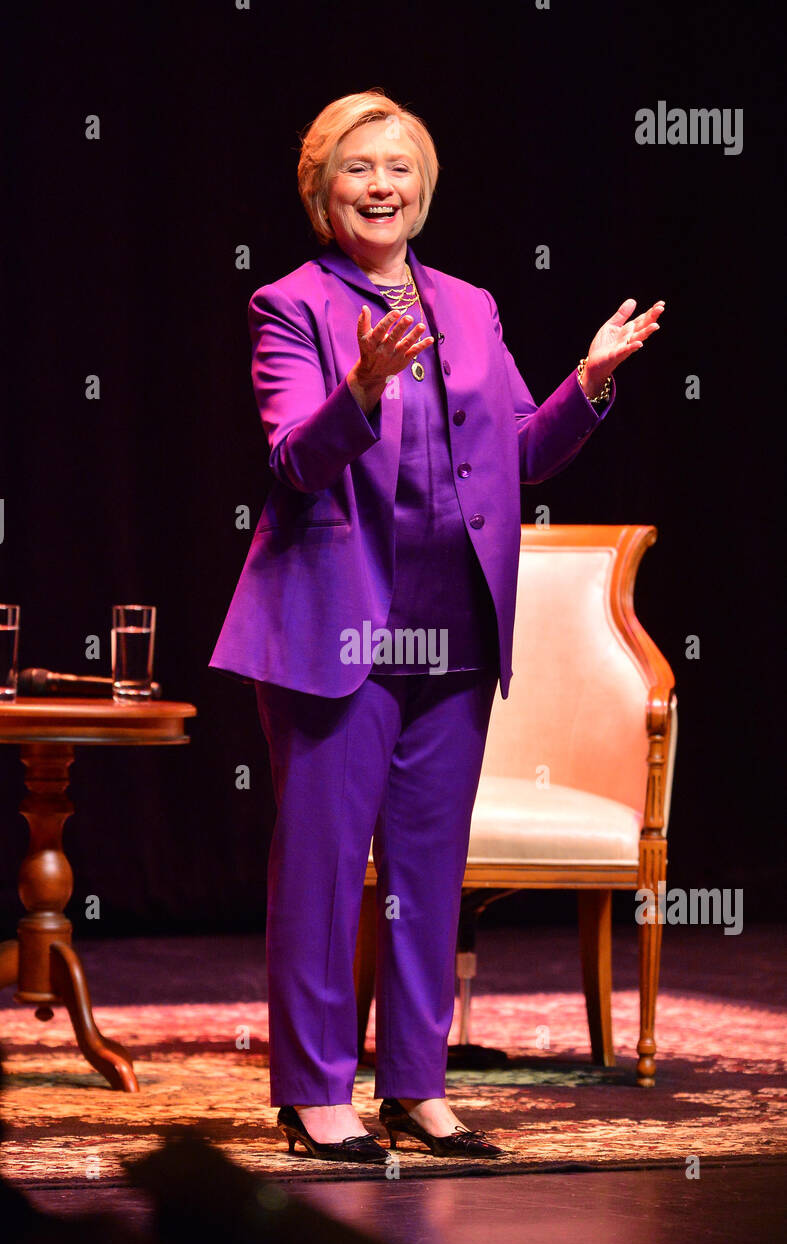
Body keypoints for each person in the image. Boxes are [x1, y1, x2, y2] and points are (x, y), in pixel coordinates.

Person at [209, 90, 664, 1162]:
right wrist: (361, 385)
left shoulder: (469, 304)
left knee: (426, 871)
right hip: (337, 631)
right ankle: (317, 1092)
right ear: (324, 195)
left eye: (400, 167)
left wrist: (589, 381)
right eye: (358, 169)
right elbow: (292, 461)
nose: (381, 185)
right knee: (323, 869)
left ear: (424, 187)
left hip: (453, 627)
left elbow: (519, 451)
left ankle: (417, 1083)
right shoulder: (290, 305)